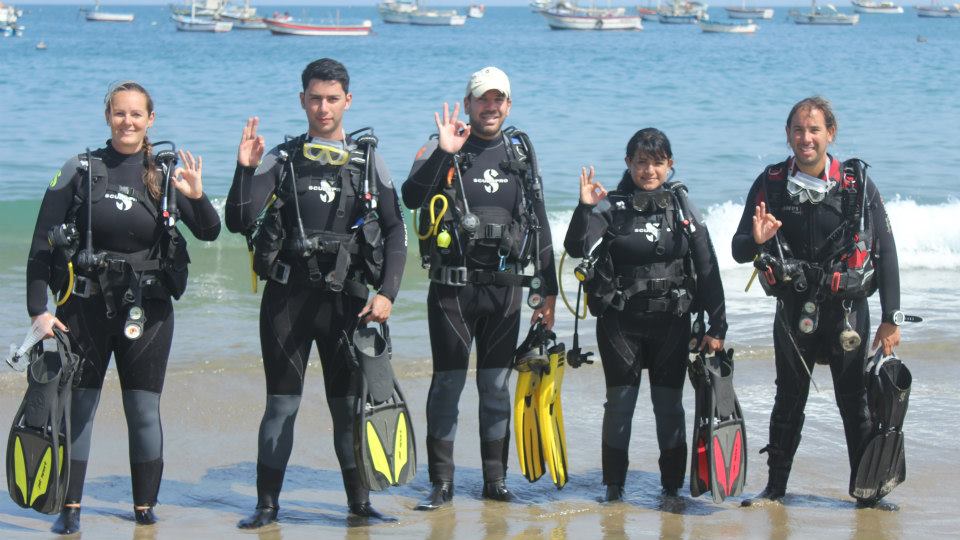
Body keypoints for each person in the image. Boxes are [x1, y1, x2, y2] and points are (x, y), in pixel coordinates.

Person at [23, 81, 221, 534]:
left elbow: (210, 232)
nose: (127, 122)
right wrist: (39, 310)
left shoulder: (165, 175)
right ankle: (70, 508)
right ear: (107, 116)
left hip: (148, 312)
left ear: (151, 119)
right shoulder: (80, 170)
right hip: (83, 310)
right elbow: (40, 243)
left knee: (143, 410)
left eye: (136, 114)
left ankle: (144, 510)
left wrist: (196, 195)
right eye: (119, 113)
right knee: (79, 408)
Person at [225, 58, 407, 527]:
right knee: (281, 405)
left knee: (347, 408)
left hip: (348, 301)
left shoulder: (368, 162)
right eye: (315, 98)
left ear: (348, 101)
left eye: (332, 99)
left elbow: (395, 229)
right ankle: (267, 507)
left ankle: (359, 506)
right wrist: (244, 169)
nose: (323, 108)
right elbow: (238, 220)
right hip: (288, 300)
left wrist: (386, 293)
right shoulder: (282, 158)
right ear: (302, 100)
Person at [731, 96, 901, 506]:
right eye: (798, 130)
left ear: (830, 134)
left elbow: (886, 251)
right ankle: (774, 490)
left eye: (814, 130)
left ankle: (867, 495)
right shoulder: (772, 183)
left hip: (846, 312)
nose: (805, 138)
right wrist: (756, 239)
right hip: (794, 310)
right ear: (788, 134)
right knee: (788, 399)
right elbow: (738, 249)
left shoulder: (856, 184)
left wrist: (891, 318)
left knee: (855, 402)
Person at [401, 66, 558, 509]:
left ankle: (495, 482)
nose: (491, 107)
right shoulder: (443, 147)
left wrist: (548, 292)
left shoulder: (520, 154)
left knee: (495, 388)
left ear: (508, 105)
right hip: (452, 291)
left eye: (498, 99)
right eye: (482, 99)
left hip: (505, 293)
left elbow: (540, 223)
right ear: (468, 103)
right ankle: (441, 483)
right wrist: (444, 152)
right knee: (447, 387)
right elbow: (411, 198)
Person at [563, 127, 728, 501]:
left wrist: (718, 325)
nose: (649, 170)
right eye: (641, 162)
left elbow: (707, 266)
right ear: (628, 163)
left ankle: (672, 489)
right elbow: (575, 247)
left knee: (668, 407)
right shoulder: (612, 206)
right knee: (619, 405)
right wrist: (585, 207)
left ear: (670, 164)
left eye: (657, 162)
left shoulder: (682, 207)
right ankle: (613, 489)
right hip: (620, 324)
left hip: (671, 323)